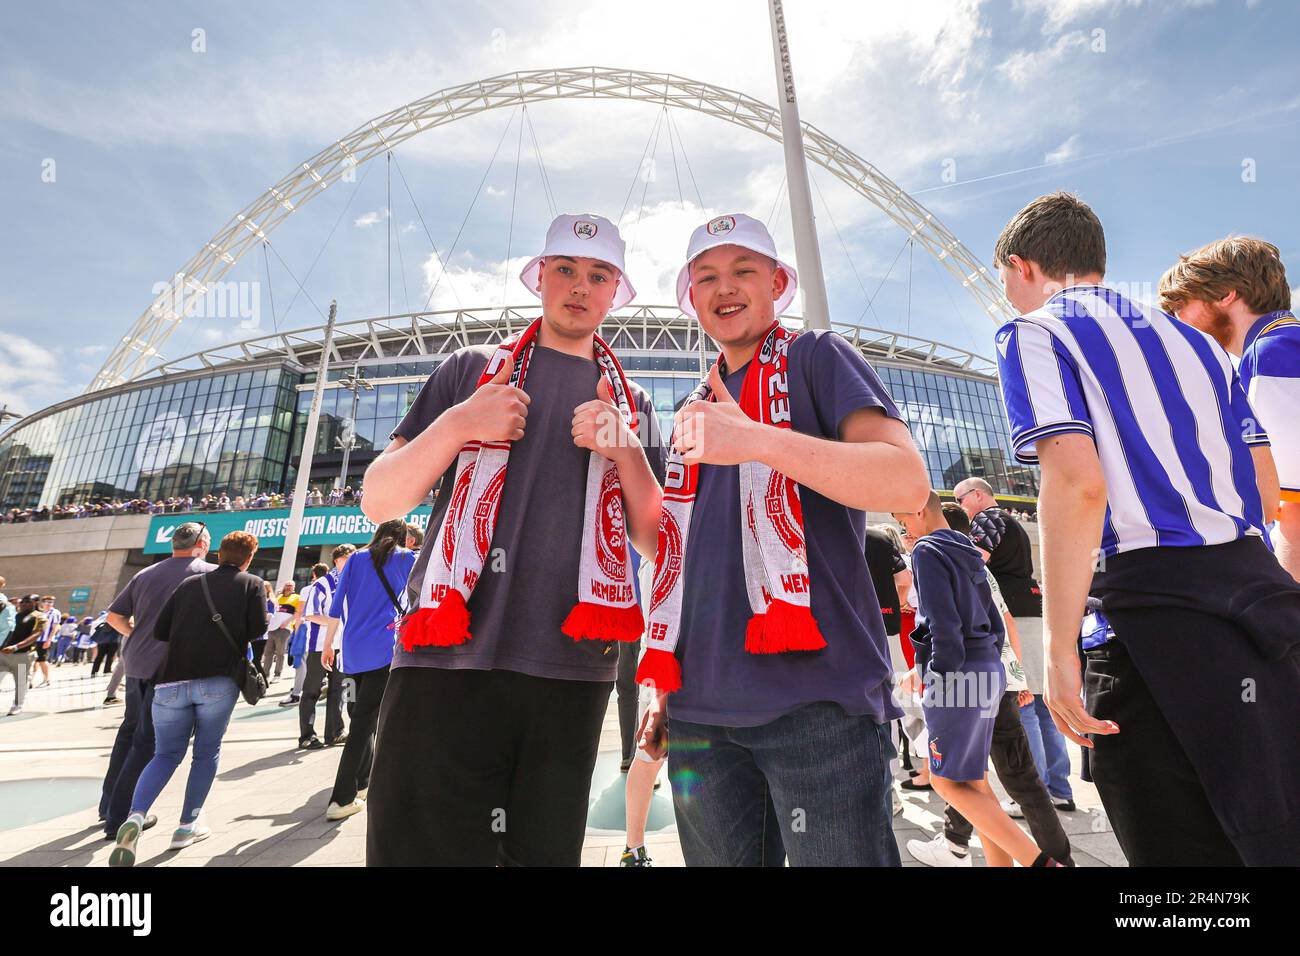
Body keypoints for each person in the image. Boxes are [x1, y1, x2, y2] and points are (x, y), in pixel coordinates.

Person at [992, 191, 1300, 865]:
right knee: (1269, 829)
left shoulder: (1036, 332)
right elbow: (1267, 485)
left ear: (1020, 266)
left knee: (1173, 850)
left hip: (1144, 612)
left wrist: (1061, 647)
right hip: (1254, 598)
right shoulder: (1201, 344)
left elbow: (1078, 484)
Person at [361, 213, 664, 866]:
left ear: (616, 292)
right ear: (539, 278)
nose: (579, 287)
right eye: (565, 270)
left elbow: (656, 543)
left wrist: (628, 452)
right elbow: (379, 500)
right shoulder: (471, 370)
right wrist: (460, 423)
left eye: (598, 275)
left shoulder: (631, 401)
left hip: (570, 671)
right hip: (443, 660)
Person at [634, 213, 928, 867]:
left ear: (777, 282)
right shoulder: (695, 407)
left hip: (816, 704)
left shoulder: (817, 358)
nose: (725, 286)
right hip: (699, 713)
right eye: (706, 276)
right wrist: (623, 455)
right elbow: (673, 551)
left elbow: (907, 483)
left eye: (743, 270)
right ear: (690, 298)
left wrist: (759, 440)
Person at [904, 502, 1073, 867]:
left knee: (947, 782)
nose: (905, 533)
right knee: (975, 783)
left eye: (903, 521)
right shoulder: (968, 549)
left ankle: (1043, 864)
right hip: (985, 667)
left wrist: (940, 673)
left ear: (917, 512)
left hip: (958, 674)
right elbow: (997, 621)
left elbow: (942, 623)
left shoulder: (927, 550)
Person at [109, 532, 267, 866]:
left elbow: (161, 631)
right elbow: (256, 630)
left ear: (220, 553)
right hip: (218, 680)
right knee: (206, 752)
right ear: (249, 558)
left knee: (164, 754)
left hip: (169, 682)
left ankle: (135, 817)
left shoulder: (189, 585)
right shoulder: (251, 583)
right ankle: (186, 826)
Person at [1159, 236, 1300, 585]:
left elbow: (1294, 506)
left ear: (1226, 295)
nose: (1176, 321)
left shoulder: (1274, 351)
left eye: (1180, 306)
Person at [953, 475, 1073, 812]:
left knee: (1025, 709)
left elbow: (972, 562)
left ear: (978, 495)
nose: (962, 508)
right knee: (1043, 705)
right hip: (1033, 610)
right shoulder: (1014, 525)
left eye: (962, 500)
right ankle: (1059, 788)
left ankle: (1030, 795)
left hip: (1013, 618)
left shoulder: (988, 518)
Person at [100, 521, 214, 840]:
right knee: (147, 742)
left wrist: (135, 634)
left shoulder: (145, 574)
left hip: (135, 661)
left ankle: (108, 804)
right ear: (201, 544)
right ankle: (120, 818)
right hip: (166, 666)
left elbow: (114, 617)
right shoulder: (205, 572)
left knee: (129, 732)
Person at [319, 520, 415, 821]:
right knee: (364, 722)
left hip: (352, 650)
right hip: (385, 647)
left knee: (363, 716)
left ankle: (362, 784)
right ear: (403, 537)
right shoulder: (406, 558)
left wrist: (327, 645)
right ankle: (341, 798)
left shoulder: (357, 557)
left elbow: (335, 608)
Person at [296, 548, 354, 748]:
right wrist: (333, 622)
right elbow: (310, 613)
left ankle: (335, 732)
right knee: (312, 689)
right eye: (346, 560)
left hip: (341, 646)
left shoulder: (353, 583)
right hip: (319, 645)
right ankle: (306, 735)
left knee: (339, 690)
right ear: (337, 560)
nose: (350, 563)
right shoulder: (322, 584)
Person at [1, 595, 45, 715]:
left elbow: (36, 635)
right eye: (23, 602)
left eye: (28, 602)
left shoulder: (39, 617)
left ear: (35, 603)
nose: (24, 604)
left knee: (20, 681)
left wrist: (16, 646)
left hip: (23, 655)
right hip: (4, 654)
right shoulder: (14, 615)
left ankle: (17, 705)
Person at [262, 582, 299, 682]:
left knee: (280, 653)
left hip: (285, 628)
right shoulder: (278, 597)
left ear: (294, 588)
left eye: (290, 586)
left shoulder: (296, 597)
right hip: (272, 628)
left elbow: (297, 613)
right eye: (286, 585)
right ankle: (265, 674)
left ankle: (277, 675)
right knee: (268, 652)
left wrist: (286, 622)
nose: (288, 587)